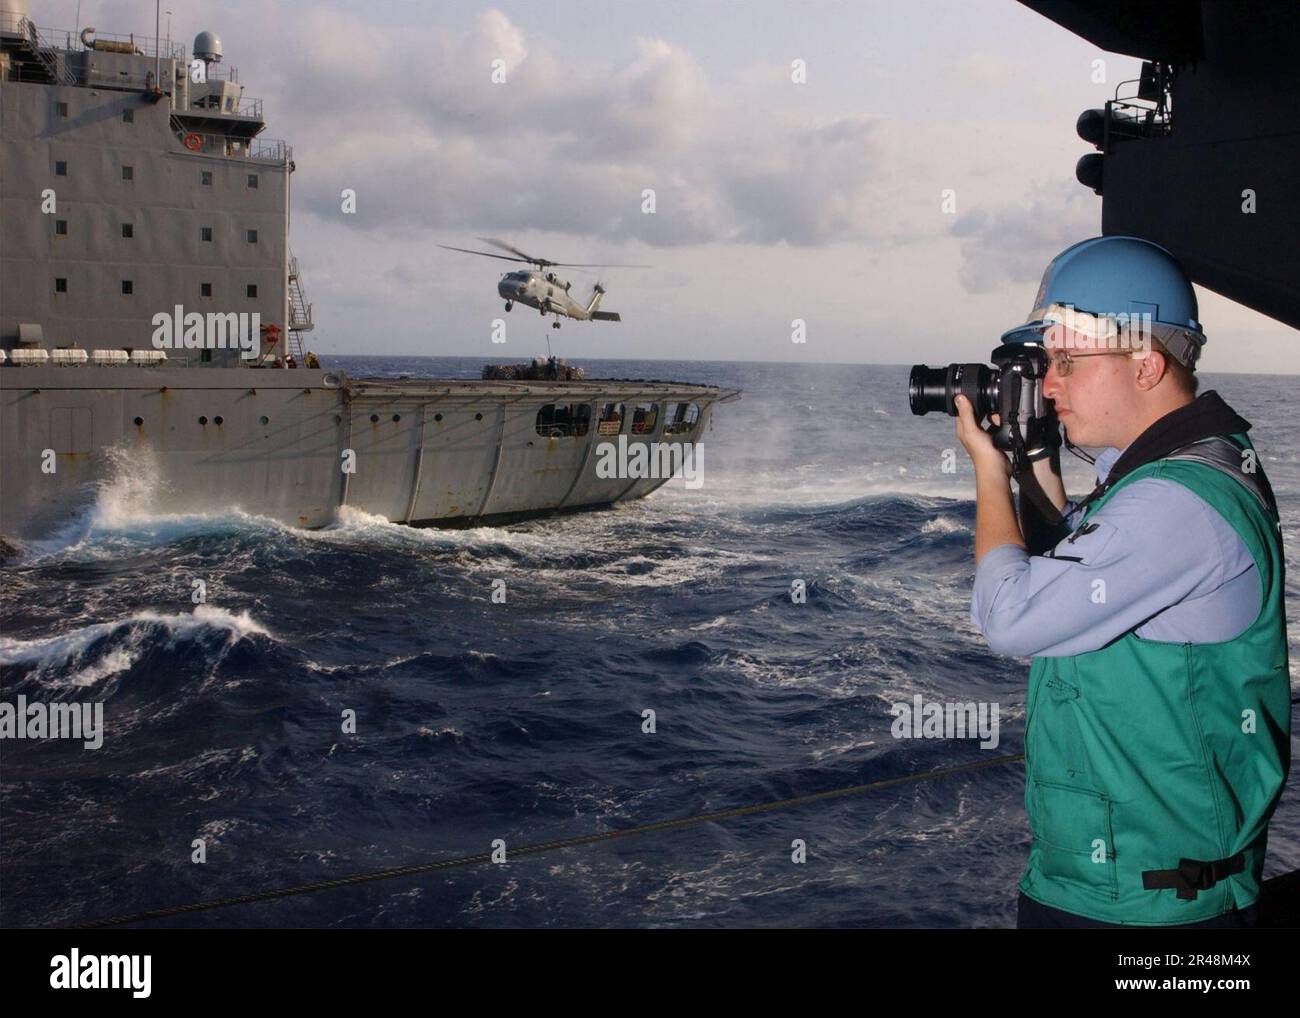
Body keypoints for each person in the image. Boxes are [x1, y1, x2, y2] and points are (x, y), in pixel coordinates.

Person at [954, 235, 1290, 928]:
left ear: (1145, 365)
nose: (1048, 383)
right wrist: (1032, 458)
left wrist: (989, 473)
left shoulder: (1176, 503)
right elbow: (1071, 567)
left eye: (1067, 362)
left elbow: (1012, 618)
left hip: (1152, 911)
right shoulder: (1169, 478)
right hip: (1105, 886)